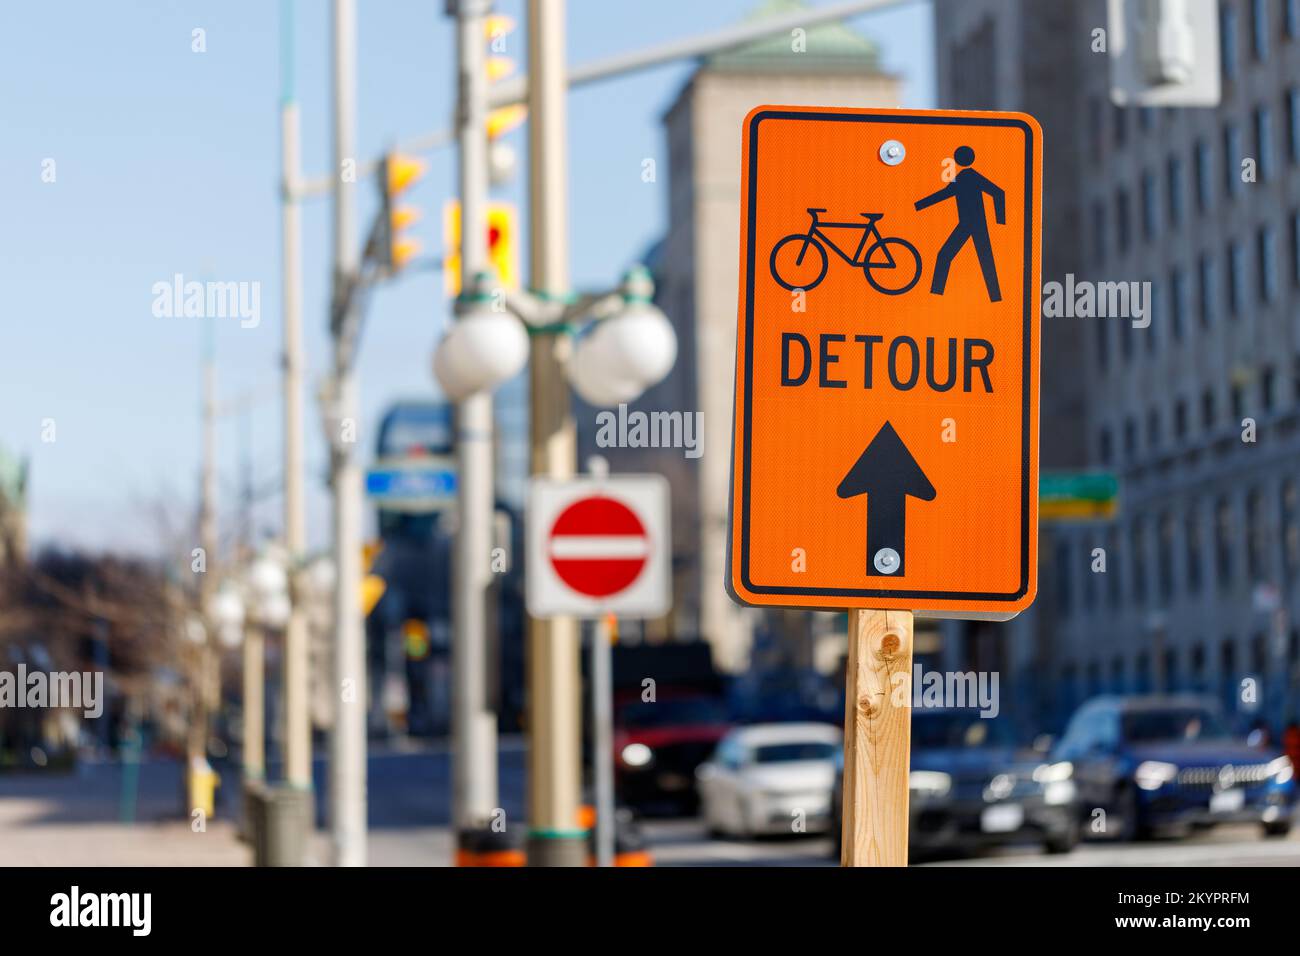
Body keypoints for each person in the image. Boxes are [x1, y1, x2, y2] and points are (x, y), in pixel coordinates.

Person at [914, 145, 1006, 302]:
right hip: (968, 224)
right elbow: (946, 193)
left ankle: (936, 295)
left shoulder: (966, 176)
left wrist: (1000, 221)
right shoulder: (964, 176)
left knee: (954, 257)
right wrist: (919, 205)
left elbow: (998, 192)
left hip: (974, 224)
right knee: (952, 256)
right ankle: (937, 295)